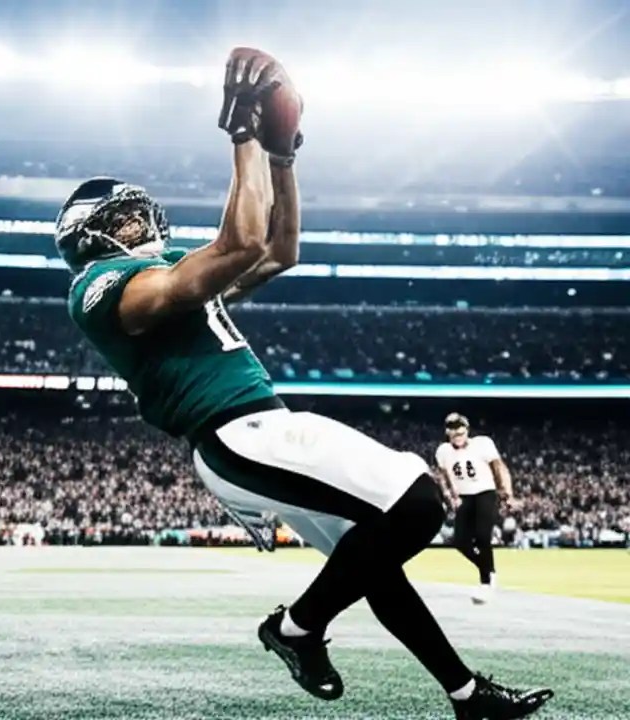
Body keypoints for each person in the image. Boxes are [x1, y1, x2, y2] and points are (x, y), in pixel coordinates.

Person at [58, 46, 552, 719]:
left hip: (255, 428)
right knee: (416, 504)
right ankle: (295, 628)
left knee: (372, 562)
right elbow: (237, 245)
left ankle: (466, 695)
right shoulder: (99, 287)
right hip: (236, 433)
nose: (140, 224)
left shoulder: (163, 271)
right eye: (121, 220)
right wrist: (243, 137)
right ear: (88, 240)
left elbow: (277, 251)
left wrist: (282, 159)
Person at [435, 412, 515, 604]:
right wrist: (450, 495)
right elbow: (443, 475)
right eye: (452, 430)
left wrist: (507, 492)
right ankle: (489, 570)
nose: (457, 434)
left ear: (467, 430)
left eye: (460, 429)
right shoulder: (443, 451)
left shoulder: (482, 444)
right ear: (447, 432)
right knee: (460, 541)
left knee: (482, 536)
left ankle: (486, 582)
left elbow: (500, 468)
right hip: (464, 497)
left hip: (485, 492)